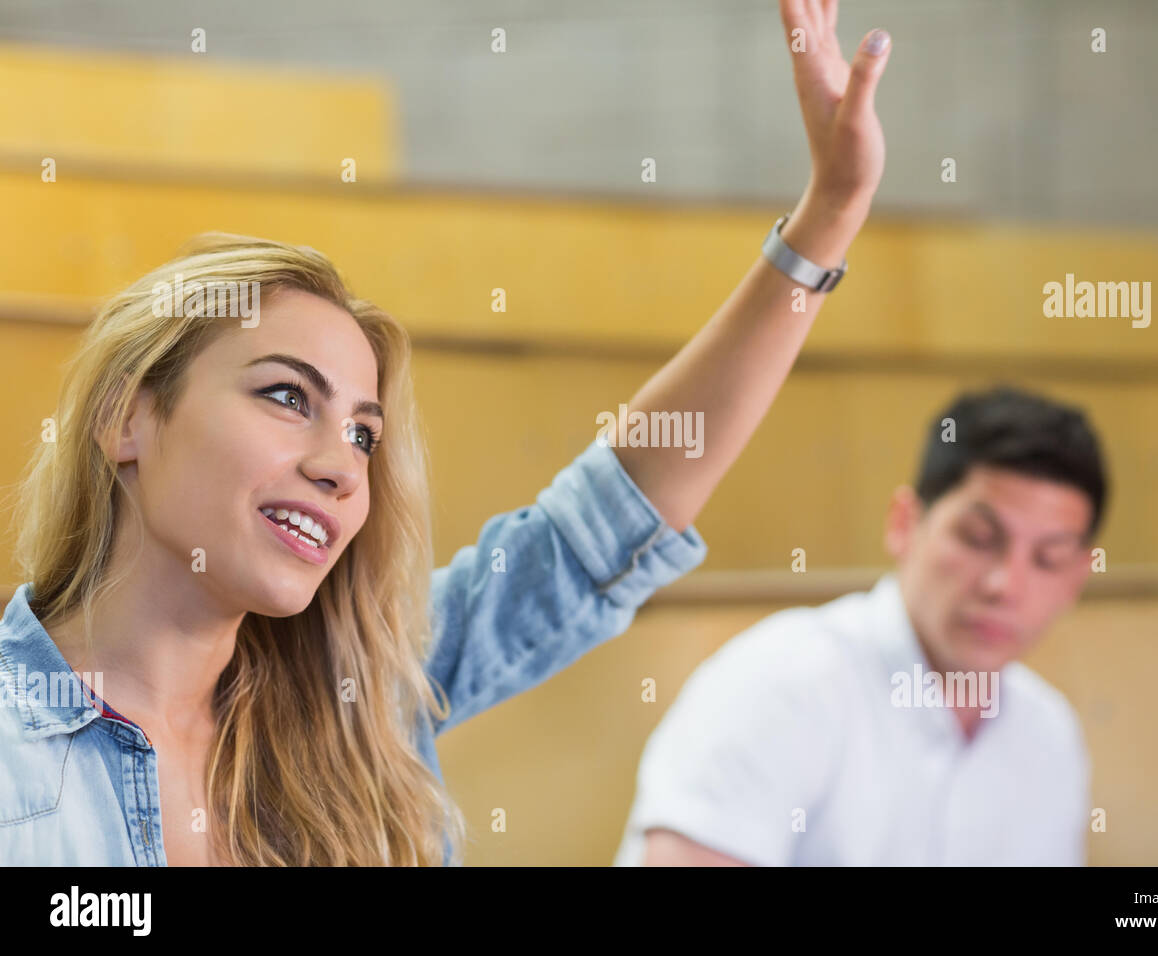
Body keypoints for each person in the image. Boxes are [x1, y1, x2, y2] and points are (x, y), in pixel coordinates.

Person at [0, 1, 893, 865]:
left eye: (362, 435)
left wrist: (828, 218)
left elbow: (605, 527)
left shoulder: (362, 699)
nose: (342, 471)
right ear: (127, 417)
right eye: (285, 396)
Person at [614, 386, 1109, 866]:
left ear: (1077, 577)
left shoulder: (1047, 732)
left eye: (1049, 559)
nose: (1006, 584)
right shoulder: (782, 684)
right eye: (978, 539)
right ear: (905, 524)